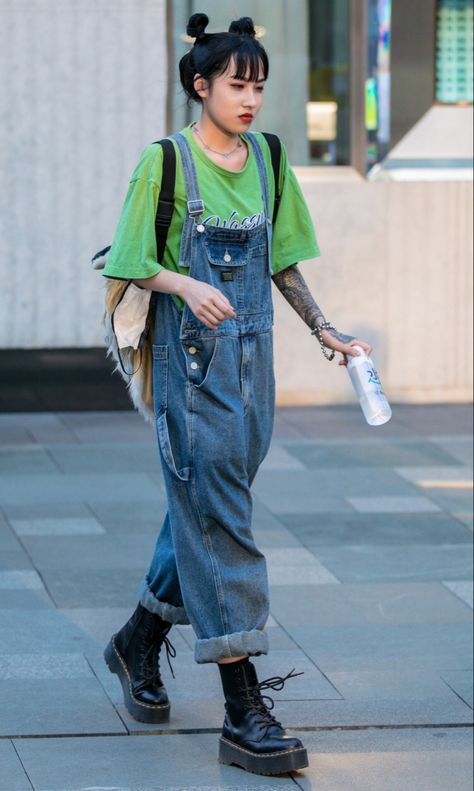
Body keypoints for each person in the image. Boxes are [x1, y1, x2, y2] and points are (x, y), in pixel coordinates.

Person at [102, 11, 373, 777]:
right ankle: (242, 702)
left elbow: (283, 262)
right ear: (201, 84)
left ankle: (137, 638)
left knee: (203, 508)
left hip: (255, 374)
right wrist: (185, 282)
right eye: (236, 84)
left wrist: (326, 330)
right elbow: (126, 260)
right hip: (190, 374)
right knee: (224, 526)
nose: (251, 99)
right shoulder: (165, 163)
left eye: (259, 85)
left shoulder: (270, 158)